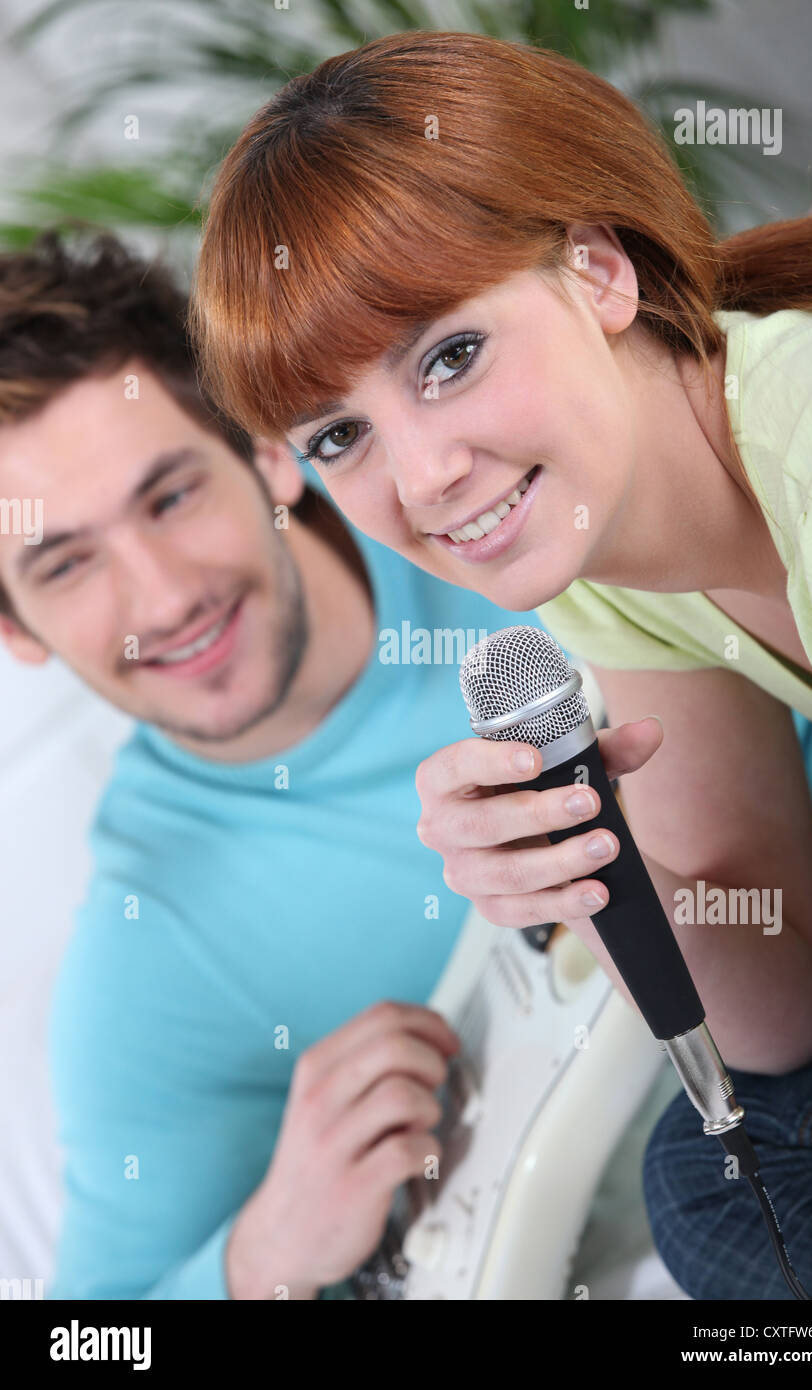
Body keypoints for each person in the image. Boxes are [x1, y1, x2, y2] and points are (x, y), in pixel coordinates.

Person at [189, 30, 812, 1298]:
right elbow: (788, 1014)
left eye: (448, 357)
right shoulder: (608, 566)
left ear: (597, 272)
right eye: (341, 435)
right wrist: (592, 864)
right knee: (716, 1176)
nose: (423, 477)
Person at [0, 228, 579, 1300]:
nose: (165, 597)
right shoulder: (156, 958)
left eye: (171, 496)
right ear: (16, 628)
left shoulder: (480, 479)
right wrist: (257, 1259)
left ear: (271, 453)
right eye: (66, 562)